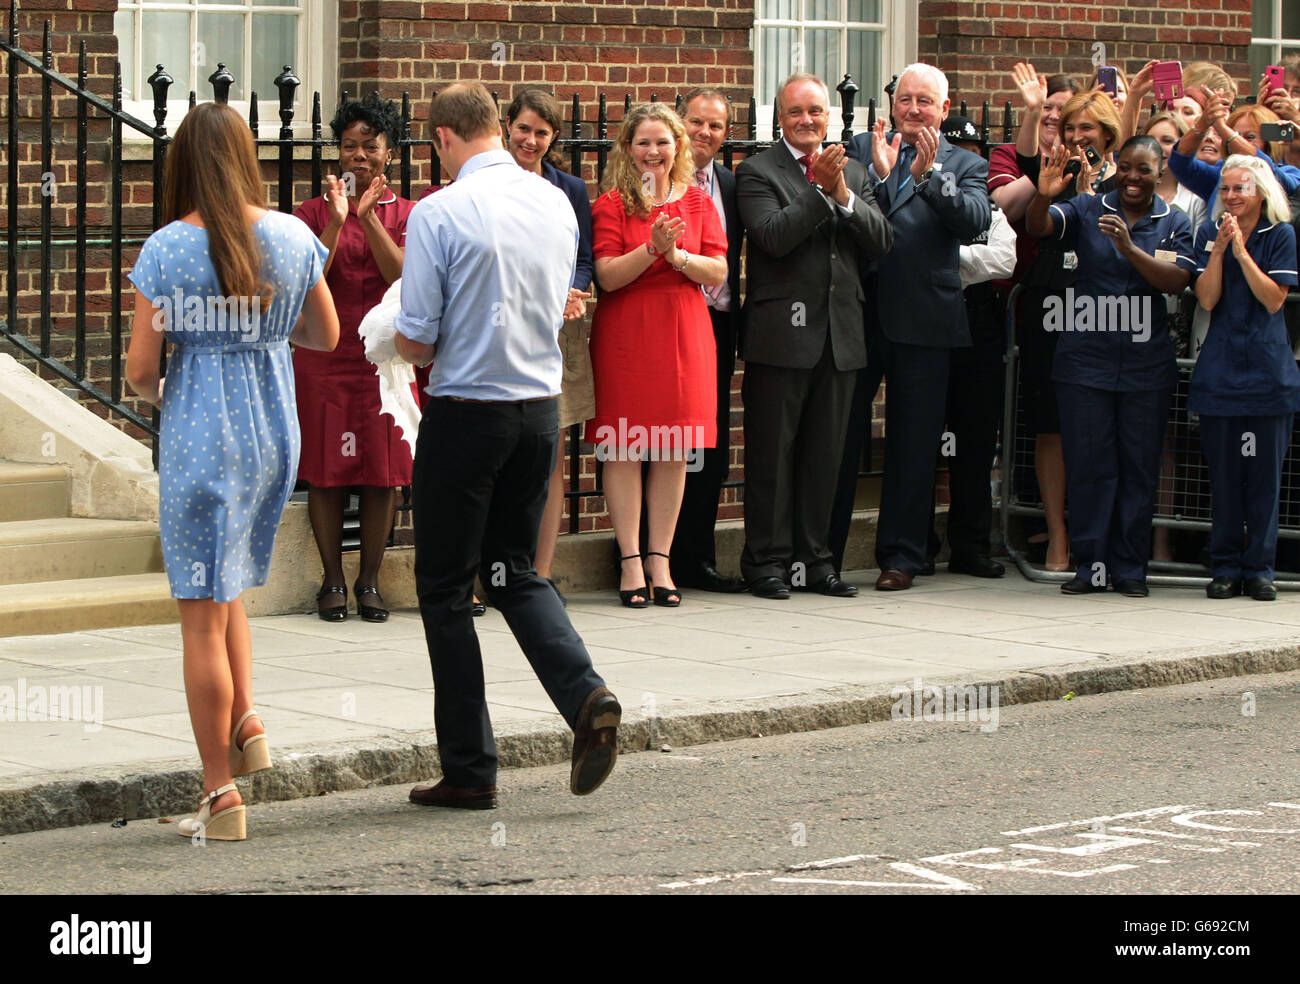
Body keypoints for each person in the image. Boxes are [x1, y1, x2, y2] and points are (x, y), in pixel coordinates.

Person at [394, 83, 620, 809]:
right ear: (497, 129)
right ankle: (585, 695)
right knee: (514, 569)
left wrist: (392, 339)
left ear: (443, 140)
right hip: (538, 410)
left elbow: (418, 338)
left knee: (444, 588)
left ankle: (469, 767)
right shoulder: (553, 201)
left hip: (467, 413)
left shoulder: (439, 210)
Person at [125, 102, 340, 840]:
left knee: (197, 613)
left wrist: (173, 386)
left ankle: (219, 796)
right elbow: (326, 332)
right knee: (232, 587)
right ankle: (247, 718)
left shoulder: (164, 251)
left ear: (181, 163)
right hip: (273, 431)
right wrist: (264, 337)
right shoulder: (291, 235)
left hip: (200, 437)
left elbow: (140, 371)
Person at [737, 72, 892, 600]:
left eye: (816, 112)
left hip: (841, 336)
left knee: (825, 457)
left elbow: (881, 241)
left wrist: (842, 190)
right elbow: (774, 238)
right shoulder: (757, 171)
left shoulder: (853, 171)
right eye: (796, 112)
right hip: (782, 335)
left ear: (830, 116)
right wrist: (820, 191)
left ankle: (817, 561)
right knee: (772, 456)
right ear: (779, 119)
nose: (807, 121)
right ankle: (766, 564)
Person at [838, 63, 990, 590]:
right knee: (841, 433)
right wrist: (882, 177)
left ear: (945, 110)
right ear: (893, 102)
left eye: (926, 101)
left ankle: (901, 556)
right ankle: (824, 554)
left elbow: (973, 221)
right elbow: (847, 213)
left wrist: (925, 178)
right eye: (906, 99)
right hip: (859, 312)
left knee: (914, 440)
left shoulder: (963, 163)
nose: (914, 109)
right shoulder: (861, 148)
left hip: (924, 316)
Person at [1026, 135, 1196, 597]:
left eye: (1144, 169)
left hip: (1145, 365)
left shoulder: (1174, 221)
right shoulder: (1085, 208)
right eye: (1125, 167)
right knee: (1090, 465)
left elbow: (1177, 281)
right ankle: (1091, 566)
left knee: (1138, 467)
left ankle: (1129, 569)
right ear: (1116, 167)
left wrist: (1128, 248)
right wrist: (1043, 193)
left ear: (1160, 173)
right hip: (1085, 361)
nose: (1133, 177)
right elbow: (1039, 226)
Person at [583, 102, 727, 608]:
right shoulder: (609, 205)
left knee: (671, 447)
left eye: (663, 142)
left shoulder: (700, 203)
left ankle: (660, 559)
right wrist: (651, 249)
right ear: (627, 149)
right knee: (624, 445)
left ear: (678, 148)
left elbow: (718, 272)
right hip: (627, 333)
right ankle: (628, 560)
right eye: (643, 142)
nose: (653, 151)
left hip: (683, 331)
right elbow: (605, 276)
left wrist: (678, 256)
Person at [292, 93, 415, 623]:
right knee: (327, 470)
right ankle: (332, 580)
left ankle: (368, 580)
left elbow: (404, 278)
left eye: (370, 146)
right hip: (326, 356)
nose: (358, 155)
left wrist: (369, 221)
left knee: (381, 471)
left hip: (383, 360)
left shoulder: (409, 213)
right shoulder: (310, 211)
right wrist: (339, 222)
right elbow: (303, 279)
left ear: (389, 152)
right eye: (349, 146)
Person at [1190, 155, 1299, 601]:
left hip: (1267, 375)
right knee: (1226, 478)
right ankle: (1226, 566)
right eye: (1227, 189)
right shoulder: (1206, 233)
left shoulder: (1281, 235)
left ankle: (1260, 569)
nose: (1232, 197)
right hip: (1221, 373)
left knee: (1264, 481)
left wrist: (1241, 253)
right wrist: (1218, 251)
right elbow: (1207, 299)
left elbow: (1274, 299)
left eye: (1241, 189)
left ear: (1261, 193)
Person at [504, 89, 596, 606]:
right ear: (507, 128)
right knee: (499, 454)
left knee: (550, 456)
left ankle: (539, 574)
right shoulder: (489, 184)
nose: (531, 140)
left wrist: (571, 289)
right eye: (524, 129)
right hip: (502, 328)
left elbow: (583, 257)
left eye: (542, 132)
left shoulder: (570, 189)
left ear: (552, 138)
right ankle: (493, 569)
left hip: (556, 333)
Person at [987, 65, 1081, 572]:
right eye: (1046, 110)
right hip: (1025, 304)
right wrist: (1037, 150)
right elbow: (1007, 207)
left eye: (1063, 113)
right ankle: (1038, 525)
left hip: (1086, 309)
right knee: (1033, 420)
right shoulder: (1012, 154)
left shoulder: (1087, 163)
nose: (1052, 119)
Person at [925, 114, 1018, 577]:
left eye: (973, 150)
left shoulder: (990, 208)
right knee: (923, 438)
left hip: (980, 327)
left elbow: (1004, 258)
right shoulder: (925, 198)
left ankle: (971, 546)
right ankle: (920, 544)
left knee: (976, 442)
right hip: (930, 322)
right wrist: (962, 263)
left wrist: (946, 260)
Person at [669, 87, 748, 594]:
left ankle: (696, 558)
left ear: (726, 134)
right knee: (660, 439)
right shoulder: (657, 180)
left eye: (715, 126)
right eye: (696, 122)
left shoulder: (732, 186)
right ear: (681, 124)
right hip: (668, 324)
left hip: (716, 327)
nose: (704, 133)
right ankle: (650, 558)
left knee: (708, 444)